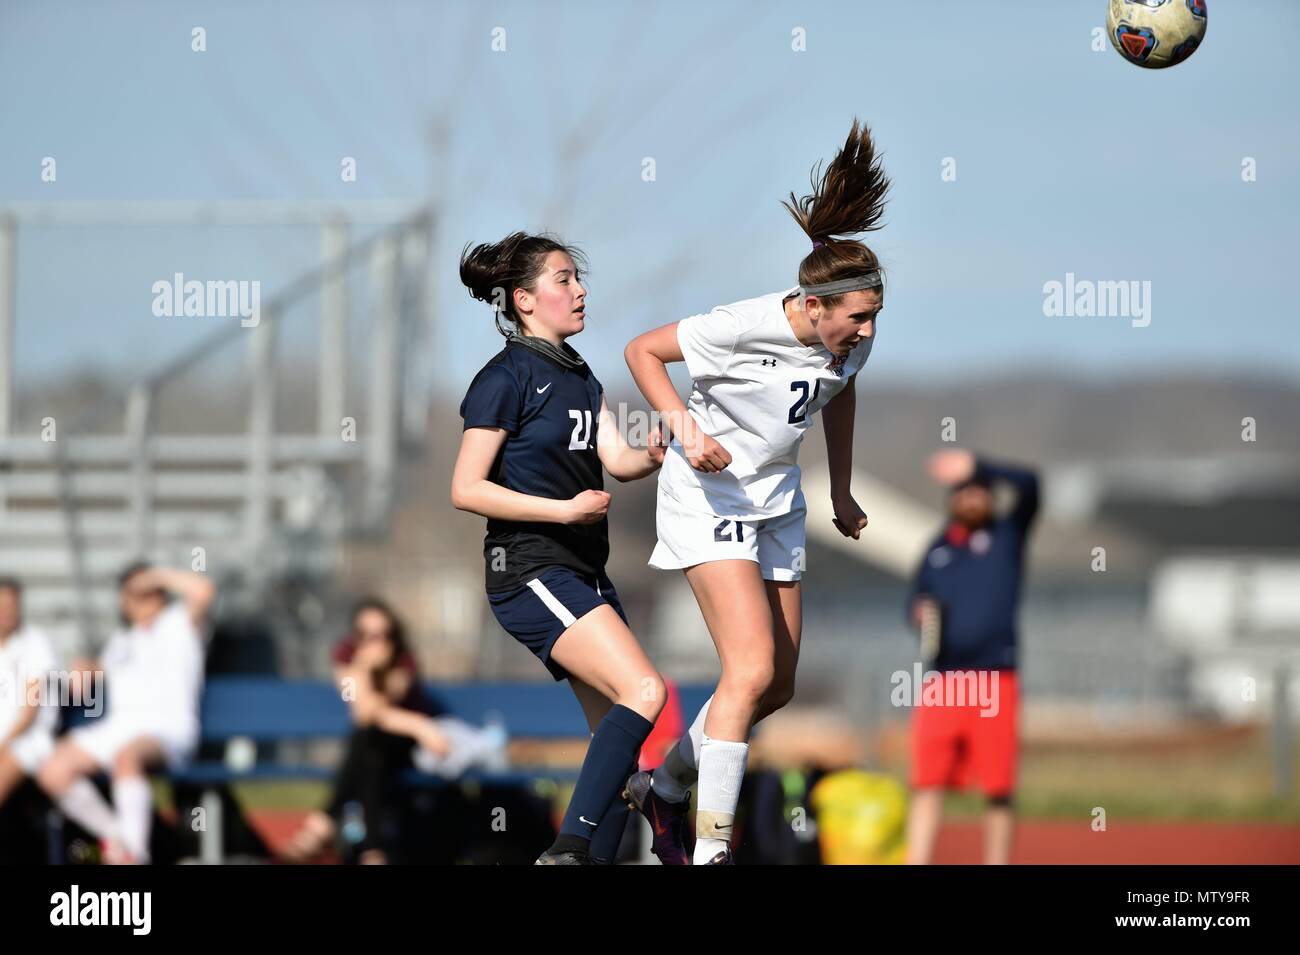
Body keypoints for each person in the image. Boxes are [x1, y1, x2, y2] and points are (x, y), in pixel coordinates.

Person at [623, 119, 886, 864]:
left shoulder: (852, 342)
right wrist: (681, 425)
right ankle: (710, 851)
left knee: (778, 687)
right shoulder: (740, 326)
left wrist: (840, 489)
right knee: (749, 671)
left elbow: (840, 396)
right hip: (710, 500)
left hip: (777, 504)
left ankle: (668, 783)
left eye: (873, 318)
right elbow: (642, 350)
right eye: (856, 318)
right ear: (814, 306)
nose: (865, 331)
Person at [451, 232, 668, 865]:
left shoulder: (579, 374)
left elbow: (617, 460)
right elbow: (466, 489)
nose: (580, 291)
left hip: (584, 571)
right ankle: (567, 850)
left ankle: (585, 856)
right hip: (528, 570)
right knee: (647, 692)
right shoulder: (503, 378)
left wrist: (655, 454)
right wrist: (562, 511)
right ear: (524, 299)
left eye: (579, 279)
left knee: (618, 739)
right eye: (565, 279)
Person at [282, 597, 505, 864]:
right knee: (370, 748)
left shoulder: (403, 661)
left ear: (394, 635)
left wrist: (417, 725)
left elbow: (382, 708)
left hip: (410, 748)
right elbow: (363, 713)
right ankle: (372, 852)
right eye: (366, 635)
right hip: (382, 746)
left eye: (383, 635)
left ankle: (326, 827)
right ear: (355, 637)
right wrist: (366, 668)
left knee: (368, 745)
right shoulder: (345, 655)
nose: (375, 642)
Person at [903, 449, 1039, 865]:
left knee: (998, 787)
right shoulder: (938, 547)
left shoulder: (1006, 538)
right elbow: (914, 598)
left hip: (995, 678)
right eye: (964, 493)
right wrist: (919, 612)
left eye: (980, 491)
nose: (972, 499)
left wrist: (978, 465)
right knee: (927, 782)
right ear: (953, 500)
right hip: (944, 681)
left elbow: (1031, 484)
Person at [37, 563, 214, 864]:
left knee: (126, 757)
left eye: (147, 592)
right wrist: (83, 671)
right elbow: (85, 684)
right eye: (133, 593)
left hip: (166, 729)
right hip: (118, 728)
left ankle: (136, 856)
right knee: (52, 769)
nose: (140, 598)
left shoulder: (179, 623)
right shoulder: (120, 642)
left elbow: (204, 590)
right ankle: (120, 841)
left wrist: (156, 575)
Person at [0, 577, 59, 813]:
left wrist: (2, 744)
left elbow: (29, 714)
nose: (5, 612)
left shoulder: (35, 643)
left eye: (11, 606)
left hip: (28, 741)